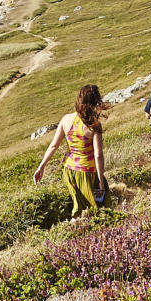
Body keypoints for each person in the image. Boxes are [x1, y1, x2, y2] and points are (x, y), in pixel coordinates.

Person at [33, 84, 107, 217]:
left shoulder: (66, 119)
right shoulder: (94, 124)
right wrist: (101, 182)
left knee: (79, 207)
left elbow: (53, 146)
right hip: (87, 172)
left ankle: (74, 226)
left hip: (69, 170)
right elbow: (98, 155)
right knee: (97, 209)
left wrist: (41, 166)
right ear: (95, 102)